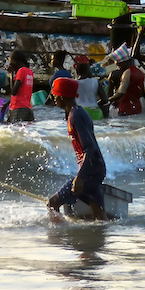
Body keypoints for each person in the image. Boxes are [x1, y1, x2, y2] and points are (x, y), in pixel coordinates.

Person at [46, 77, 106, 221]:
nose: (54, 98)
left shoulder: (76, 116)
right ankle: (101, 237)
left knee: (52, 204)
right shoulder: (78, 112)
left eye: (54, 95)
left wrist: (80, 177)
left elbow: (89, 148)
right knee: (99, 214)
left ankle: (61, 237)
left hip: (89, 172)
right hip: (96, 169)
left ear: (61, 97)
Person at [7, 50, 34, 123]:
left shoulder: (21, 71)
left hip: (18, 109)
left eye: (10, 62)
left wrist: (11, 74)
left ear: (14, 61)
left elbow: (14, 92)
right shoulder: (29, 72)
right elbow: (22, 92)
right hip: (28, 108)